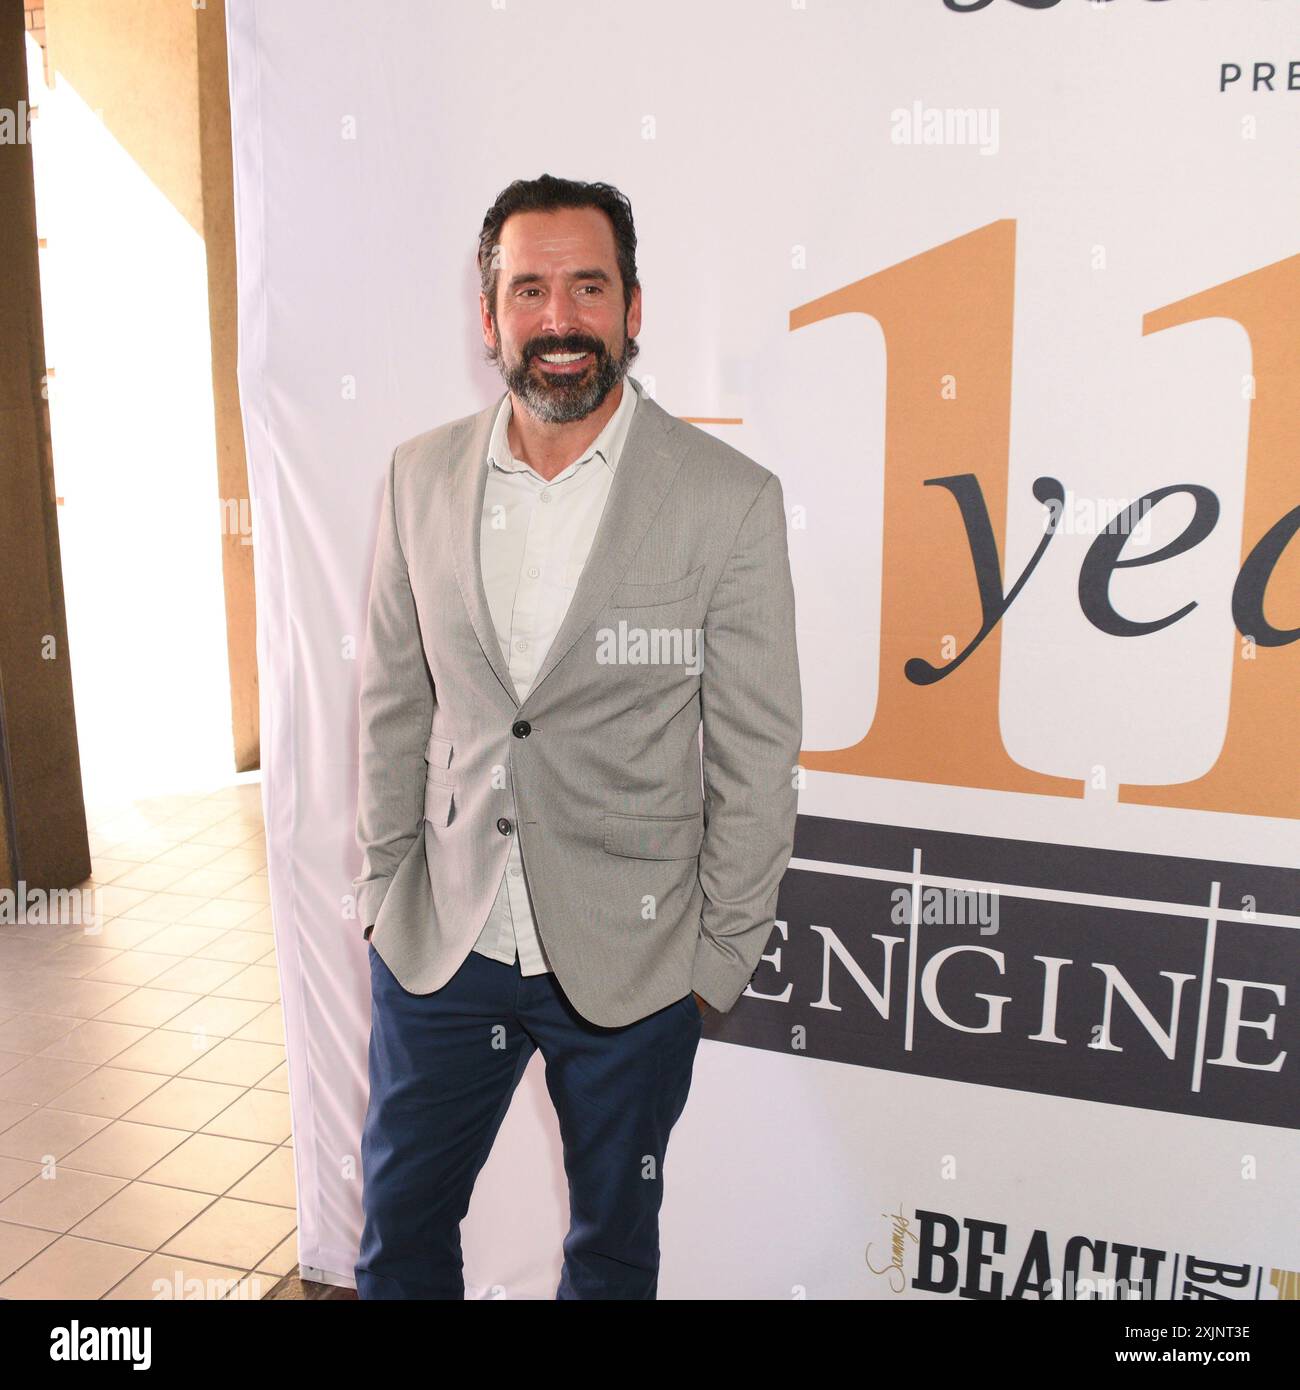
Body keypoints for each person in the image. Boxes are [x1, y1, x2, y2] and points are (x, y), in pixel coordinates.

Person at [352, 173, 802, 1299]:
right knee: (399, 1231)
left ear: (634, 308)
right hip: (442, 944)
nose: (560, 320)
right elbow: (393, 704)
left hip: (635, 966)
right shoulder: (417, 477)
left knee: (611, 1248)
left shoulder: (725, 498)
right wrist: (379, 884)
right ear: (489, 313)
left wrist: (716, 960)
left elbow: (755, 754)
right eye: (530, 289)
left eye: (588, 288)